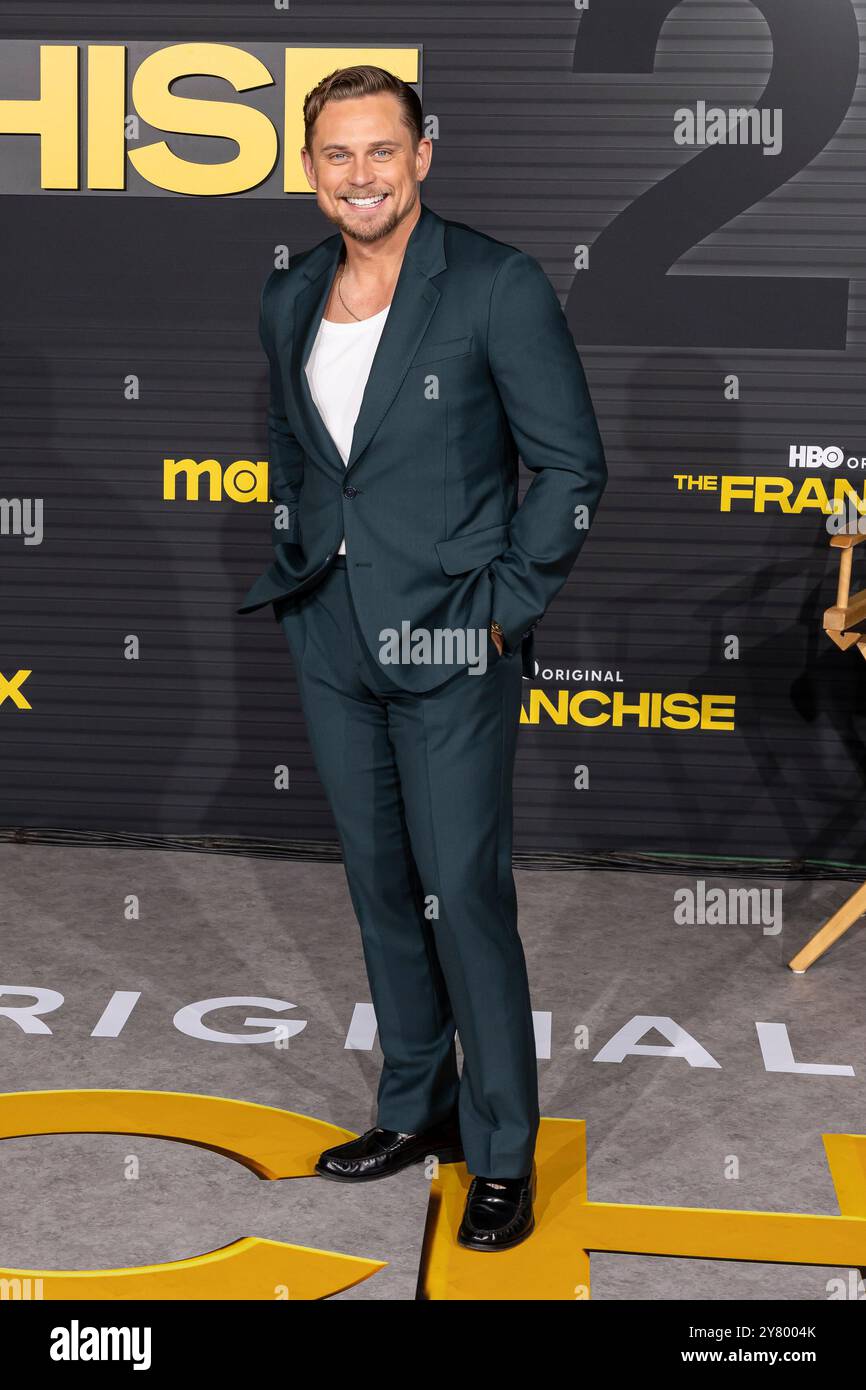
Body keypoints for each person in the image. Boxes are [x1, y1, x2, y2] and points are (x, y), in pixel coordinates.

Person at [238, 64, 607, 1251]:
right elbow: (303, 458)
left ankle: (499, 1149)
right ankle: (416, 1105)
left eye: (380, 152)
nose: (360, 176)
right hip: (331, 634)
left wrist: (495, 612)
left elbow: (568, 471)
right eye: (336, 156)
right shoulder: (291, 294)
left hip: (452, 637)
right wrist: (302, 567)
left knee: (466, 903)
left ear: (422, 155)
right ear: (311, 170)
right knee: (381, 887)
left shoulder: (493, 285)